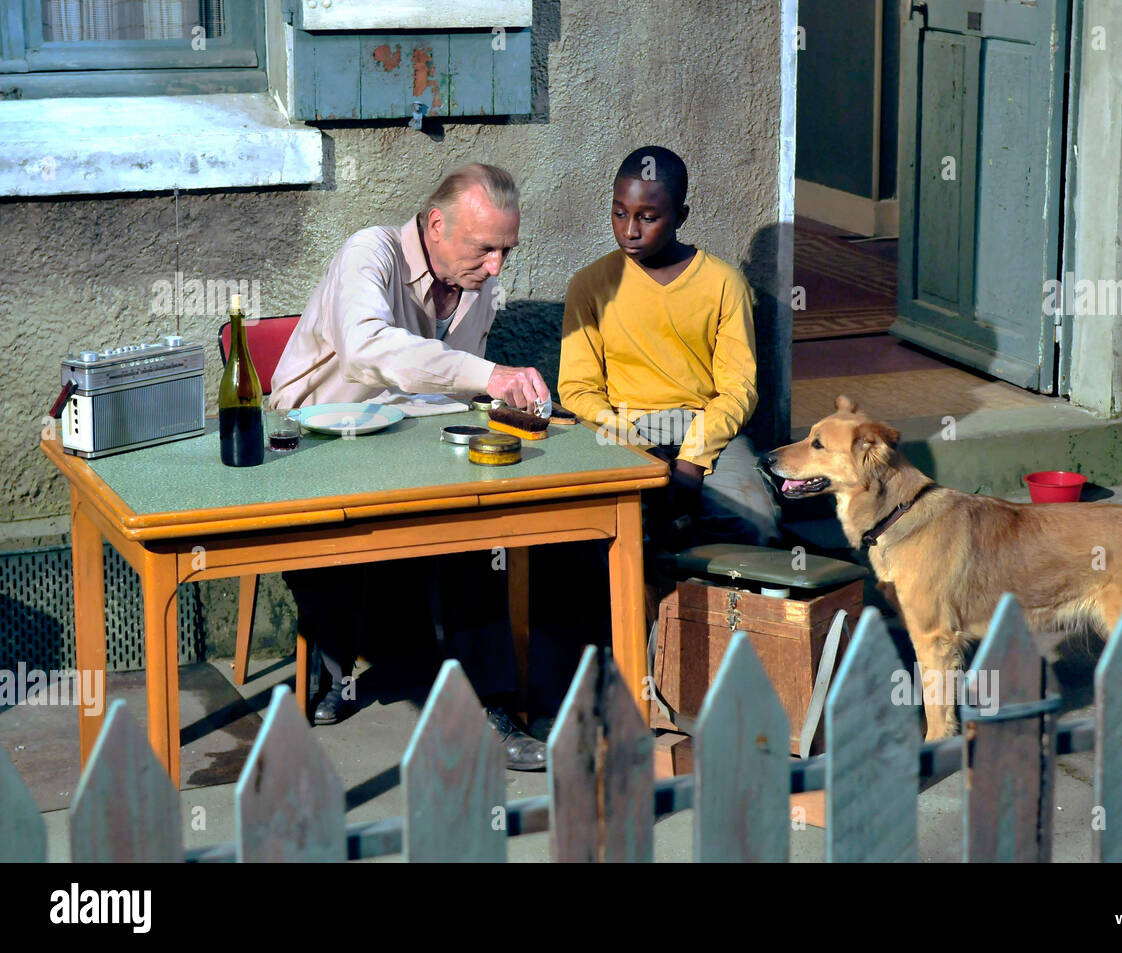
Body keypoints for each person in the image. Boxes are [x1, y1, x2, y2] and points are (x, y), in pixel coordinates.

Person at [269, 163, 549, 770]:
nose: (497, 266)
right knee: (334, 542)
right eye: (485, 249)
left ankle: (493, 706)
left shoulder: (480, 286)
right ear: (436, 224)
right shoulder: (368, 252)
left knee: (480, 530)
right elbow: (369, 348)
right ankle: (332, 663)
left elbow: (448, 383)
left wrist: (501, 398)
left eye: (507, 250)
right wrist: (488, 376)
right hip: (313, 438)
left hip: (406, 436)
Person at [558, 146, 780, 548]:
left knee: (754, 520)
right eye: (619, 213)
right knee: (618, 530)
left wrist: (693, 460)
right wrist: (640, 449)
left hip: (708, 429)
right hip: (623, 430)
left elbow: (738, 389)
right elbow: (578, 389)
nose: (629, 230)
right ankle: (647, 611)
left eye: (648, 217)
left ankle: (726, 610)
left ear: (680, 217)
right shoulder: (590, 284)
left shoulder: (723, 283)